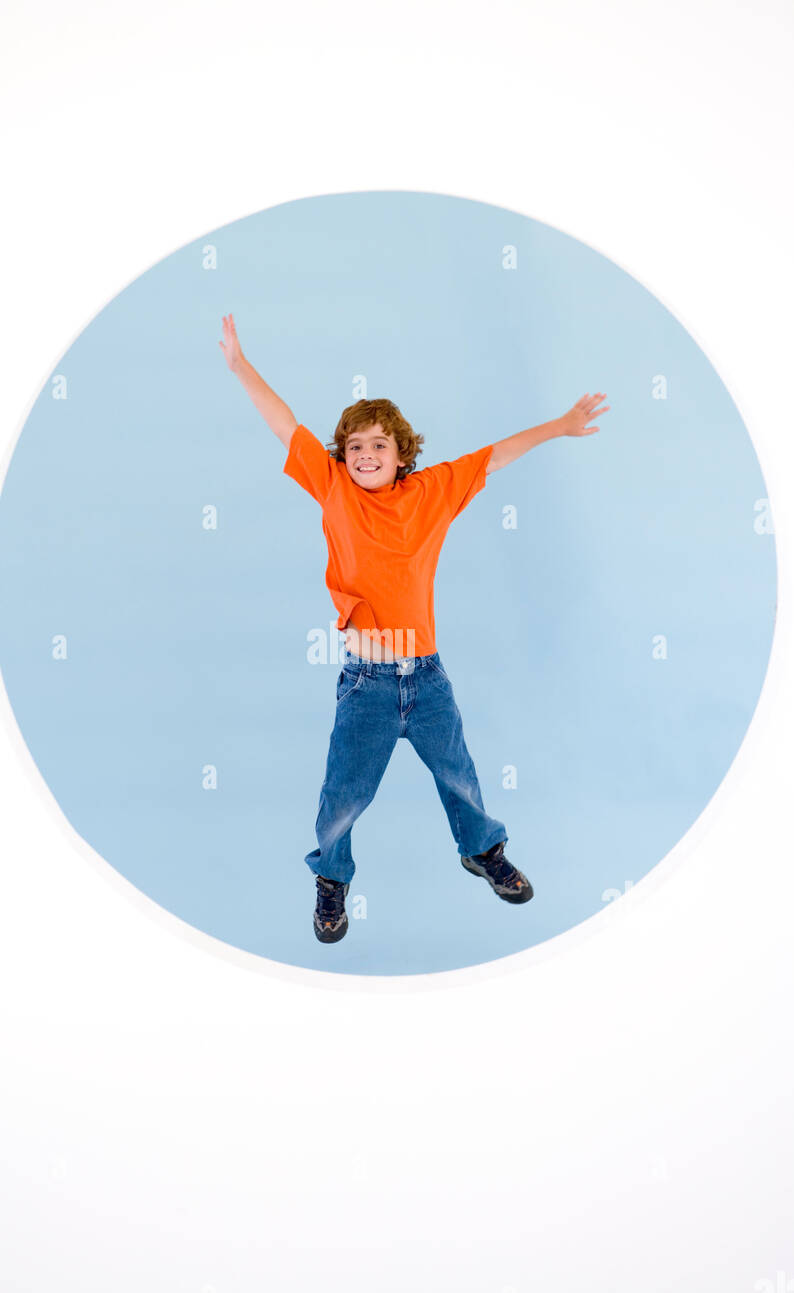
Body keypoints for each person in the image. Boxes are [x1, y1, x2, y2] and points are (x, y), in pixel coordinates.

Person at [220, 312, 609, 943]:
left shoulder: (432, 492)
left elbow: (498, 454)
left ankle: (482, 850)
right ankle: (332, 878)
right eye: (354, 447)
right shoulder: (334, 492)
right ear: (340, 459)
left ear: (403, 453)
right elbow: (284, 423)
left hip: (426, 676)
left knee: (460, 776)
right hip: (366, 683)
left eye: (379, 444)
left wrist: (562, 427)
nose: (366, 455)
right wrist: (241, 366)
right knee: (343, 795)